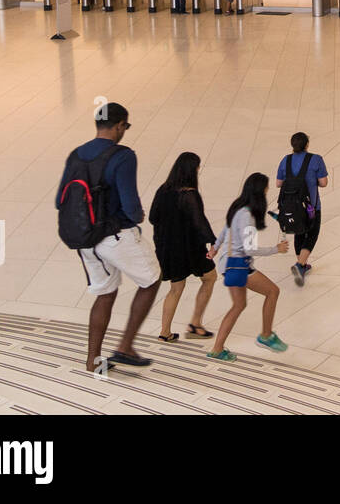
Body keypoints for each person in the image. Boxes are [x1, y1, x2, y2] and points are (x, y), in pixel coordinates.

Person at [56, 103, 160, 372]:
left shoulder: (76, 155)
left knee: (105, 294)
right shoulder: (123, 155)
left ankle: (93, 360)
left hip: (85, 239)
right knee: (151, 279)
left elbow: (60, 200)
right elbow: (130, 204)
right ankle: (125, 346)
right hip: (116, 236)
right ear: (118, 126)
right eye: (125, 126)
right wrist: (138, 216)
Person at [207, 173, 289, 361]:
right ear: (261, 191)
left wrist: (214, 249)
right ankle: (266, 335)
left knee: (238, 305)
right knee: (273, 292)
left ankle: (217, 349)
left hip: (228, 264)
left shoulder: (237, 209)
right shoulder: (248, 216)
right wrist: (276, 249)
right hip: (239, 264)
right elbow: (249, 248)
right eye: (266, 188)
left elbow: (223, 232)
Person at [149, 152, 217, 342]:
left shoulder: (163, 189)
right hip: (190, 248)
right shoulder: (189, 194)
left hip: (166, 248)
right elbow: (199, 222)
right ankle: (195, 323)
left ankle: (165, 332)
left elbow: (152, 217)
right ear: (191, 170)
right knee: (210, 278)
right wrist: (213, 241)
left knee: (176, 288)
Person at [277, 131, 328, 287]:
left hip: (291, 206)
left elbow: (279, 183)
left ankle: (303, 265)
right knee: (312, 234)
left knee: (299, 232)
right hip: (311, 206)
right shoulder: (316, 159)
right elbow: (324, 182)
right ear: (307, 145)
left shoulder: (285, 160)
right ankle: (300, 266)